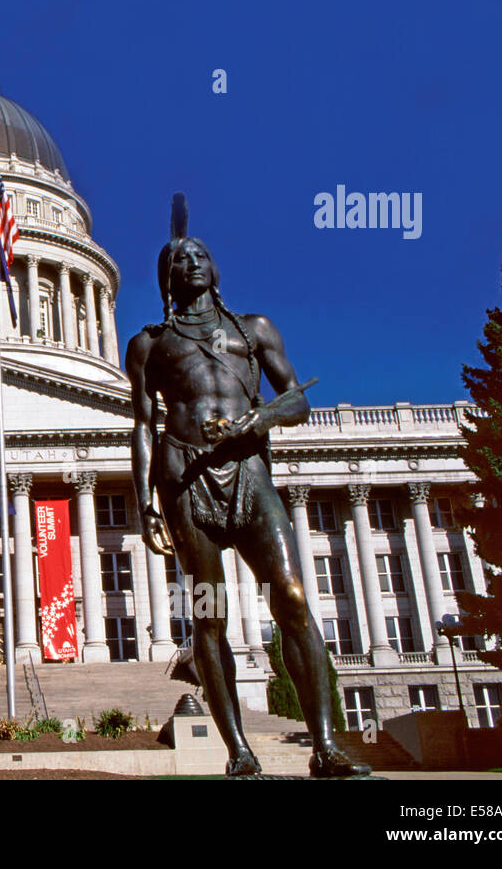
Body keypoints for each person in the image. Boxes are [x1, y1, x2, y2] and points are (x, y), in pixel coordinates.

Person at [127, 194, 369, 778]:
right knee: (209, 613)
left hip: (250, 474)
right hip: (185, 478)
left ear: (215, 268)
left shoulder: (255, 329)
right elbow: (140, 423)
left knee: (290, 597)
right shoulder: (149, 345)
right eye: (179, 259)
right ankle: (239, 750)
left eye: (200, 256)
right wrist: (143, 505)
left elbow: (296, 398)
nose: (192, 264)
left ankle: (327, 747)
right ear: (165, 276)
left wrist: (259, 419)